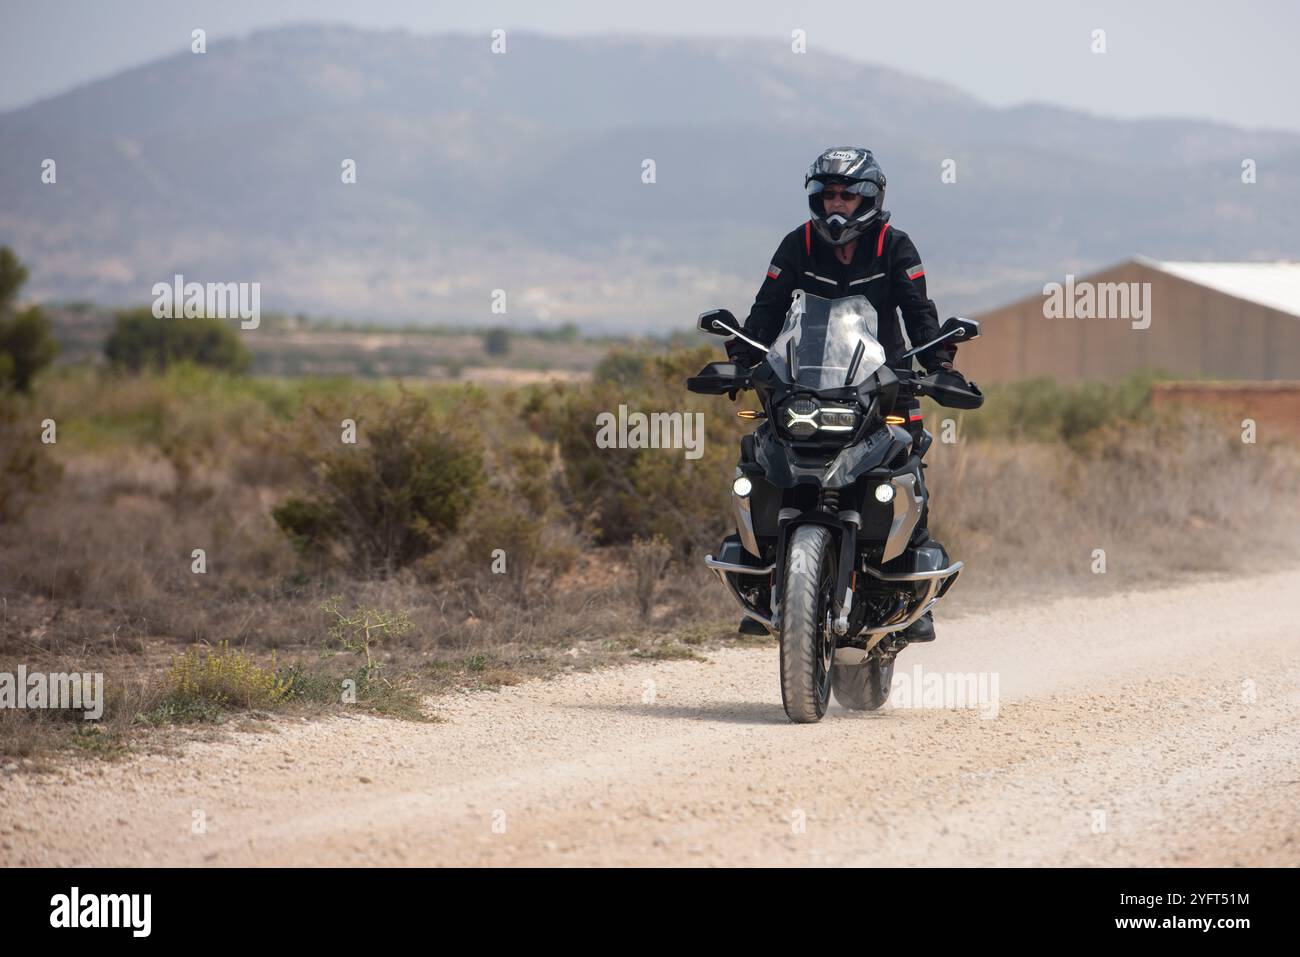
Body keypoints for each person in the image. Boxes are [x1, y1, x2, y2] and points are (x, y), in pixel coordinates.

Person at [725, 146, 968, 643]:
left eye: (847, 196)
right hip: (804, 381)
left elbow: (919, 313)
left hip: (883, 383)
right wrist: (741, 358)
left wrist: (939, 364)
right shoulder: (797, 244)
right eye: (828, 195)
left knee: (907, 457)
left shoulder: (894, 246)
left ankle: (909, 587)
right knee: (760, 454)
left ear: (869, 198)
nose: (836, 204)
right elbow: (767, 310)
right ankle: (763, 574)